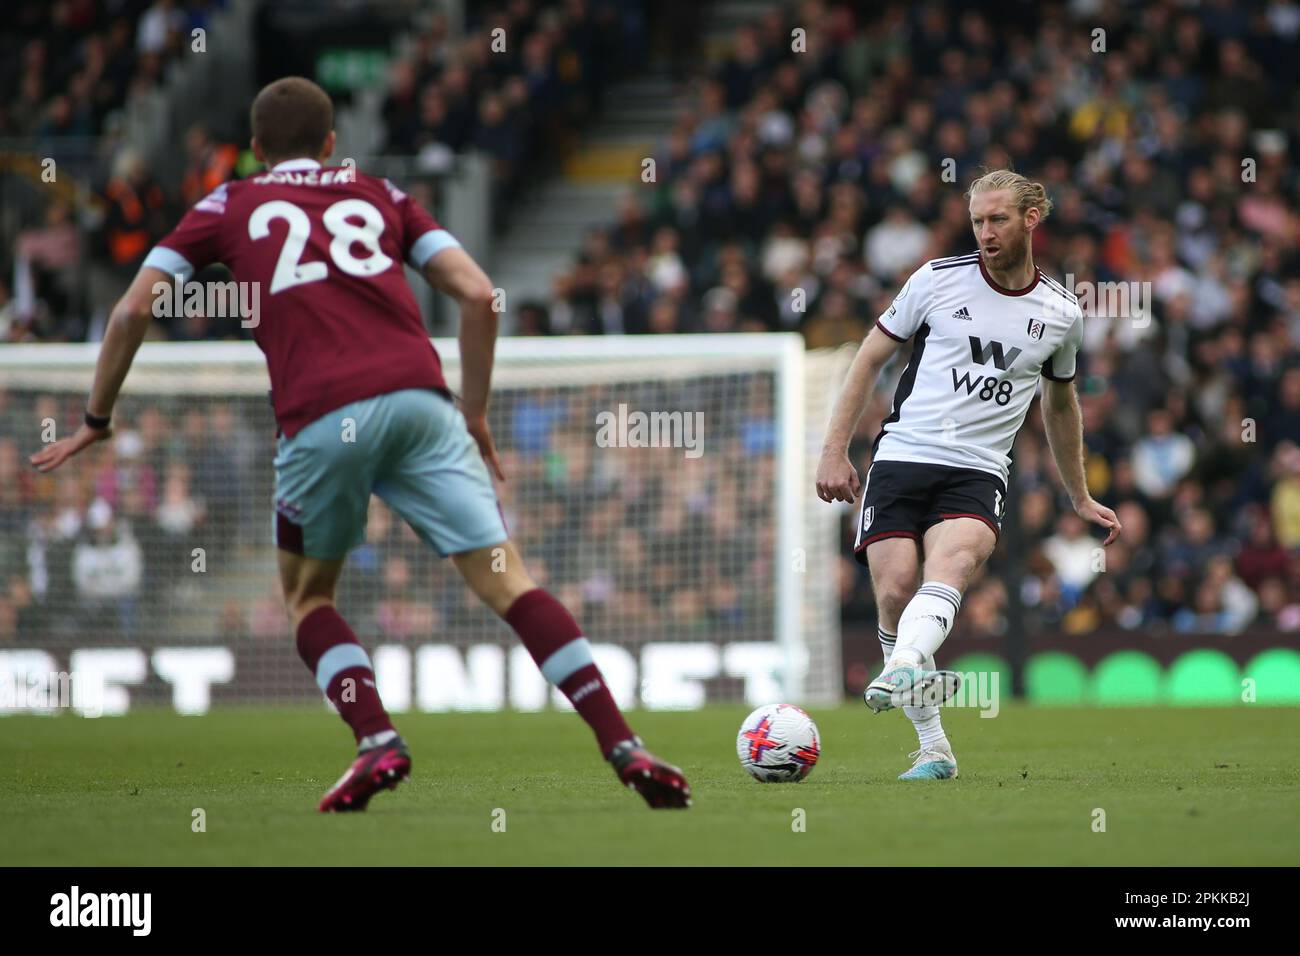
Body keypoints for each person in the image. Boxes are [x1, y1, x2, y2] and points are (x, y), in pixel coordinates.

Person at [31, 76, 690, 812]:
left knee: (309, 594)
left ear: (255, 151)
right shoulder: (380, 193)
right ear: (331, 143)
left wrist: (95, 417)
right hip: (421, 402)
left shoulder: (226, 204)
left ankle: (377, 737)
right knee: (511, 582)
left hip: (320, 416)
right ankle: (621, 742)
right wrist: (472, 410)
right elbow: (476, 294)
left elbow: (128, 312)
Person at [815, 169, 1122, 781]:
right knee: (896, 591)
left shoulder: (1060, 313)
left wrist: (1080, 495)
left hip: (979, 469)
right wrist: (833, 450)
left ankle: (901, 667)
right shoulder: (935, 280)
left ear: (1031, 219)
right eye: (978, 221)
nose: (985, 232)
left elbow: (1059, 405)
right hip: (904, 455)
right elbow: (870, 357)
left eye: (998, 220)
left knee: (951, 565)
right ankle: (935, 748)